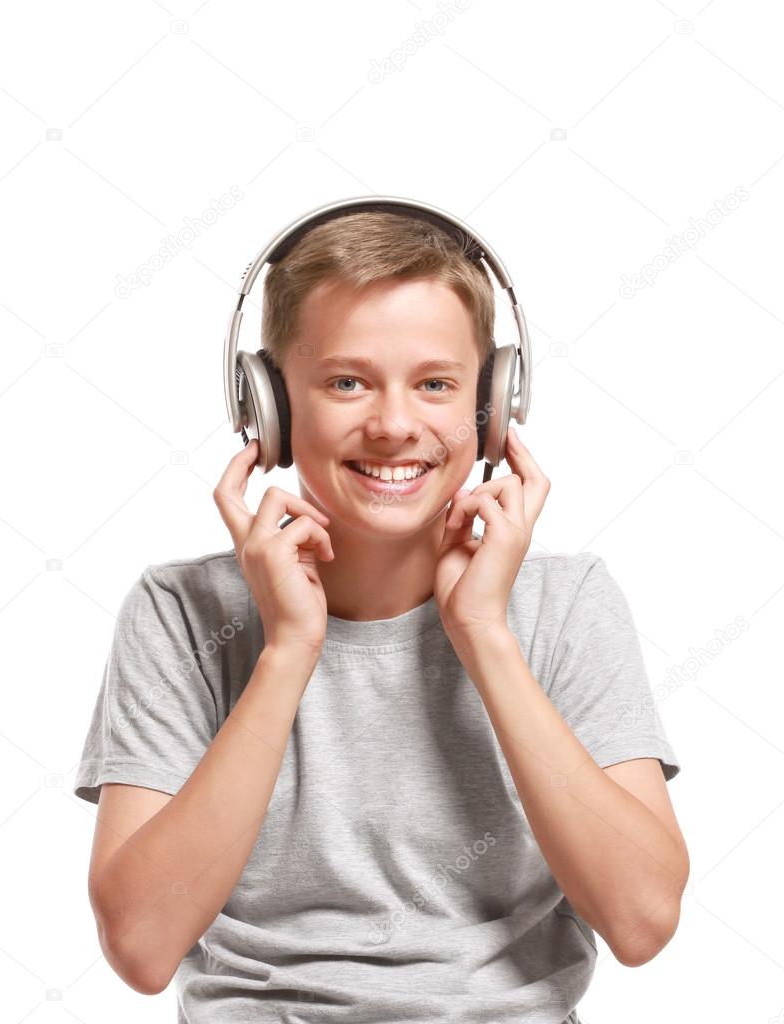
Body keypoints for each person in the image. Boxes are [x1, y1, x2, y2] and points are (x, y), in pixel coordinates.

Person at [73, 210, 687, 1022]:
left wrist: (484, 636)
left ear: (494, 408)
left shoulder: (566, 605)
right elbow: (142, 948)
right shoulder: (181, 612)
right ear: (269, 409)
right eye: (346, 381)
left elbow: (641, 922)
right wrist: (288, 648)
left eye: (435, 383)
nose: (395, 424)